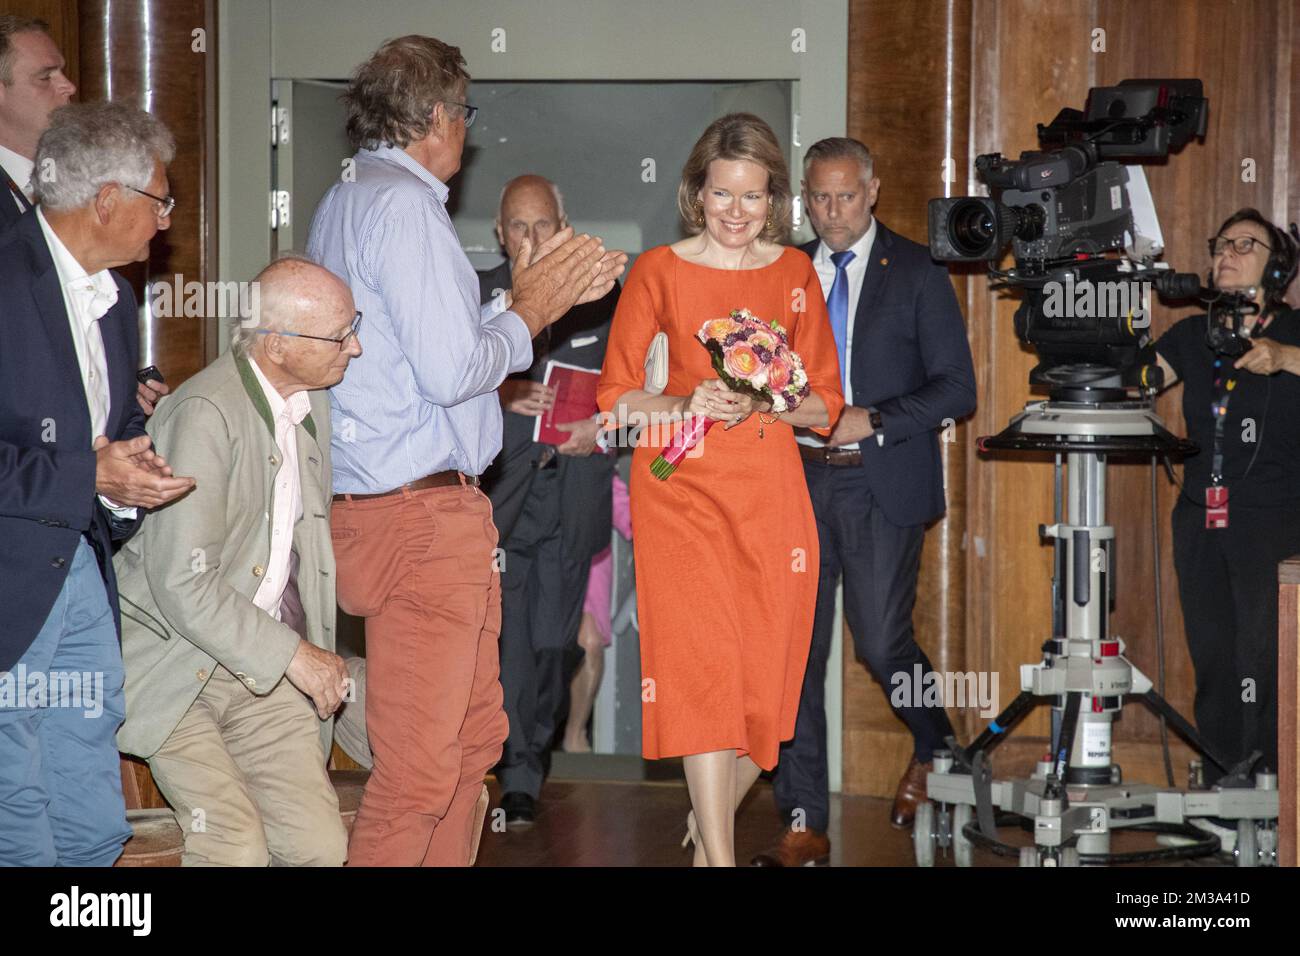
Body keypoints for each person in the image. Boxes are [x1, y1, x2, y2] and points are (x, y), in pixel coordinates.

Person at [306, 34, 625, 867]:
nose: (467, 134)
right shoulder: (406, 207)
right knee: (419, 771)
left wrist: (531, 307)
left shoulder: (347, 196)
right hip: (419, 517)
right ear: (439, 116)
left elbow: (429, 358)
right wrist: (530, 310)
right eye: (466, 113)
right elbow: (455, 373)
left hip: (405, 508)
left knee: (474, 742)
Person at [597, 113, 844, 867]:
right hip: (681, 490)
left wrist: (768, 398)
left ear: (774, 201)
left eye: (754, 198)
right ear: (695, 193)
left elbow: (826, 405)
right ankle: (721, 860)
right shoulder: (656, 272)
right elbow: (614, 400)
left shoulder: (795, 276)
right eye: (722, 195)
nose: (736, 213)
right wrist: (681, 404)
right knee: (702, 674)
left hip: (771, 493)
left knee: (769, 692)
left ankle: (710, 834)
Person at [756, 137, 976, 866]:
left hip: (879, 476)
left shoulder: (915, 269)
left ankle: (939, 745)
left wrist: (871, 418)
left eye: (845, 197)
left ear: (873, 191)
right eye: (818, 198)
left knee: (880, 642)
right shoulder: (783, 271)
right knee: (797, 652)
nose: (831, 213)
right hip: (795, 479)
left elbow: (957, 390)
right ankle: (802, 817)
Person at [114, 258, 361, 866]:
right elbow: (183, 583)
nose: (355, 347)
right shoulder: (205, 414)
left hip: (257, 665)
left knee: (318, 848)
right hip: (177, 668)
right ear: (276, 344)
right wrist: (298, 657)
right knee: (234, 846)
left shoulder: (308, 404)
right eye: (339, 335)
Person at [0, 102, 193, 866]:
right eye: (160, 200)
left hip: (81, 566)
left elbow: (109, 437)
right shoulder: (5, 279)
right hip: (12, 581)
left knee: (86, 766)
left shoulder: (118, 300)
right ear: (107, 199)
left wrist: (125, 481)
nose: (166, 221)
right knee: (15, 780)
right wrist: (90, 471)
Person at [478, 174, 619, 826]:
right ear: (499, 234)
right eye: (517, 226)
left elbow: (642, 390)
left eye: (542, 225)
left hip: (576, 494)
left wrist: (610, 426)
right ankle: (517, 771)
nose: (530, 238)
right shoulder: (474, 298)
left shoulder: (606, 301)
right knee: (506, 645)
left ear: (563, 224)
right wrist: (502, 395)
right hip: (505, 496)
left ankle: (532, 753)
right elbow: (442, 388)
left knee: (555, 645)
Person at [1152, 207, 1300, 786]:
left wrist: (1286, 360)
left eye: (1246, 246)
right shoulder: (1193, 333)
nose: (1227, 255)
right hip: (1198, 518)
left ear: (1277, 269)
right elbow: (1142, 376)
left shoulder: (1293, 331)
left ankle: (1269, 794)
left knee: (1262, 661)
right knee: (1213, 660)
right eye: (1221, 245)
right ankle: (1219, 790)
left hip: (1273, 521)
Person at [0, 15, 168, 414]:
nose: (69, 86)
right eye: (46, 76)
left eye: (64, 71)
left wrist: (118, 384)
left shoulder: (117, 289)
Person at [562, 469, 632, 753]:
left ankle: (574, 733)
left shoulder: (604, 476)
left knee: (590, 642)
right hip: (540, 563)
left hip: (591, 569)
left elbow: (632, 520)